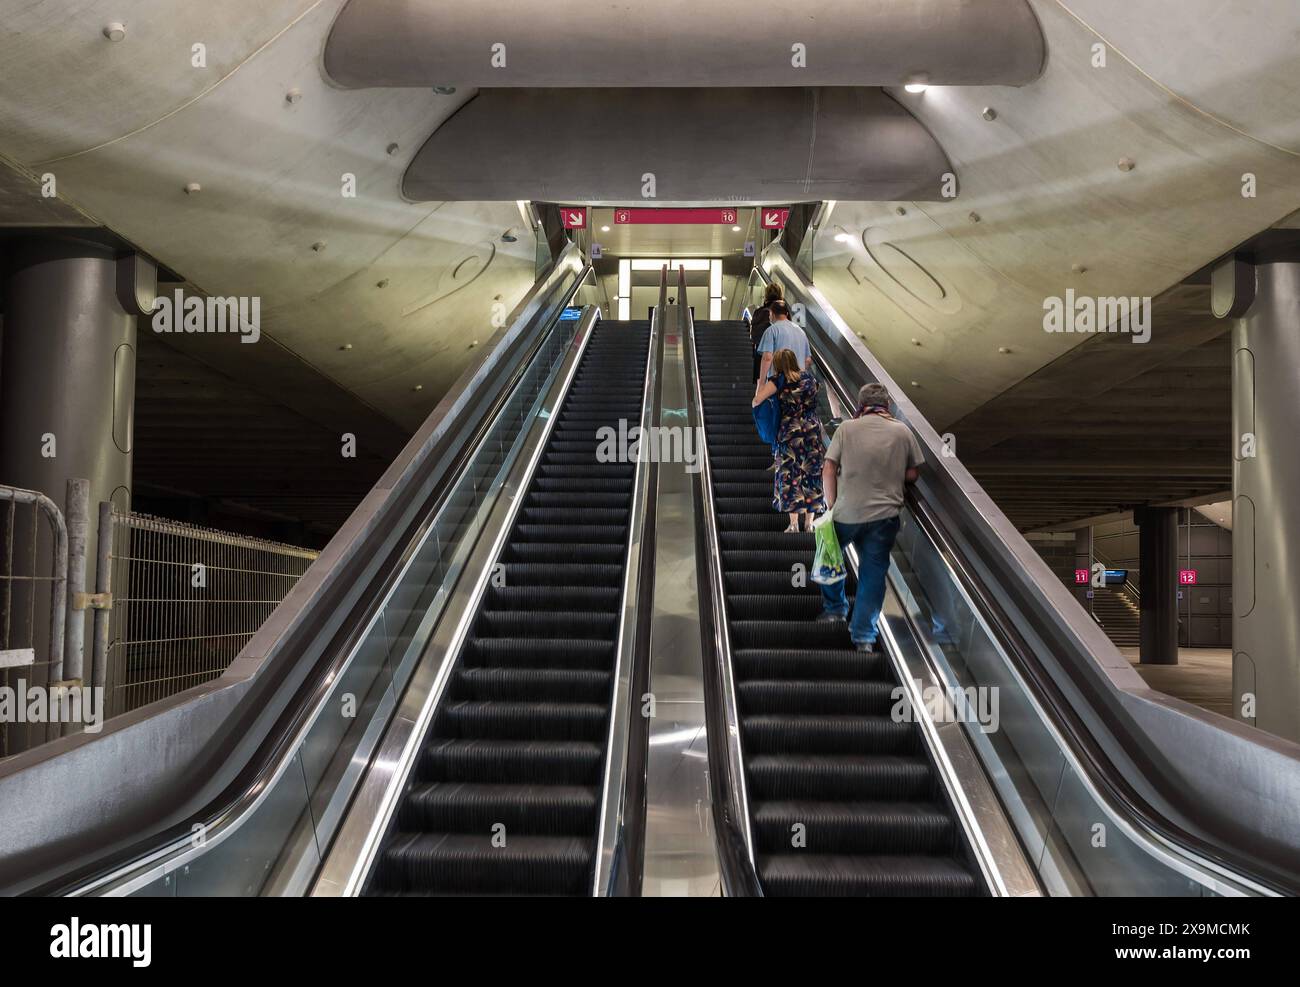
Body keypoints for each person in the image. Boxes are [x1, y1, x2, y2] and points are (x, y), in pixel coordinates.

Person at [819, 381, 924, 653]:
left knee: (829, 556)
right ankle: (863, 636)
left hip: (847, 512)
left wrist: (831, 506)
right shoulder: (902, 432)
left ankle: (835, 609)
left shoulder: (847, 428)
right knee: (873, 574)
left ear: (860, 405)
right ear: (887, 405)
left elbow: (829, 468)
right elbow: (913, 474)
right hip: (884, 516)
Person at [752, 348, 824, 532]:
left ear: (778, 364)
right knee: (811, 475)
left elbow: (757, 400)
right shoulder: (810, 379)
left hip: (790, 432)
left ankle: (793, 524)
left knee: (790, 475)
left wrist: (761, 390)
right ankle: (809, 524)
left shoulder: (779, 380)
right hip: (811, 430)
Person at [754, 299, 811, 390]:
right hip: (798, 384)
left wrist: (761, 384)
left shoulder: (771, 330)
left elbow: (767, 357)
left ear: (771, 314)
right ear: (787, 314)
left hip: (778, 384)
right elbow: (808, 360)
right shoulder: (801, 332)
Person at [749, 282, 784, 383]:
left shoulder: (758, 313)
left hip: (760, 358)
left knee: (761, 392)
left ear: (766, 295)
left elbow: (754, 337)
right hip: (777, 358)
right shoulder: (782, 314)